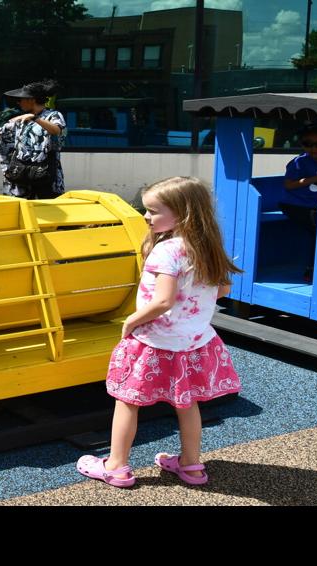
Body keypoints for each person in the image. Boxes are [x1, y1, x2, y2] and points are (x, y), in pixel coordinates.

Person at [77, 177, 243, 489]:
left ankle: (116, 466)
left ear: (183, 214)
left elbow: (163, 301)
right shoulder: (207, 247)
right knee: (187, 402)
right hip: (193, 341)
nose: (146, 216)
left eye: (153, 211)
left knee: (128, 400)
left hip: (154, 341)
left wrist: (132, 321)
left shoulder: (167, 250)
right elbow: (222, 289)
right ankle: (191, 466)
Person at [0, 79, 65, 200]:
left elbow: (56, 130)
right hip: (22, 173)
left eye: (21, 100)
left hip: (46, 173)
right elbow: (2, 133)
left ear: (31, 100)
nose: (18, 103)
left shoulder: (53, 115)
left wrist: (35, 118)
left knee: (47, 208)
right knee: (20, 206)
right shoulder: (21, 118)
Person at [278, 124, 317, 232]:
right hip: (295, 204)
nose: (313, 148)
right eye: (307, 144)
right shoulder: (299, 162)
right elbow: (288, 185)